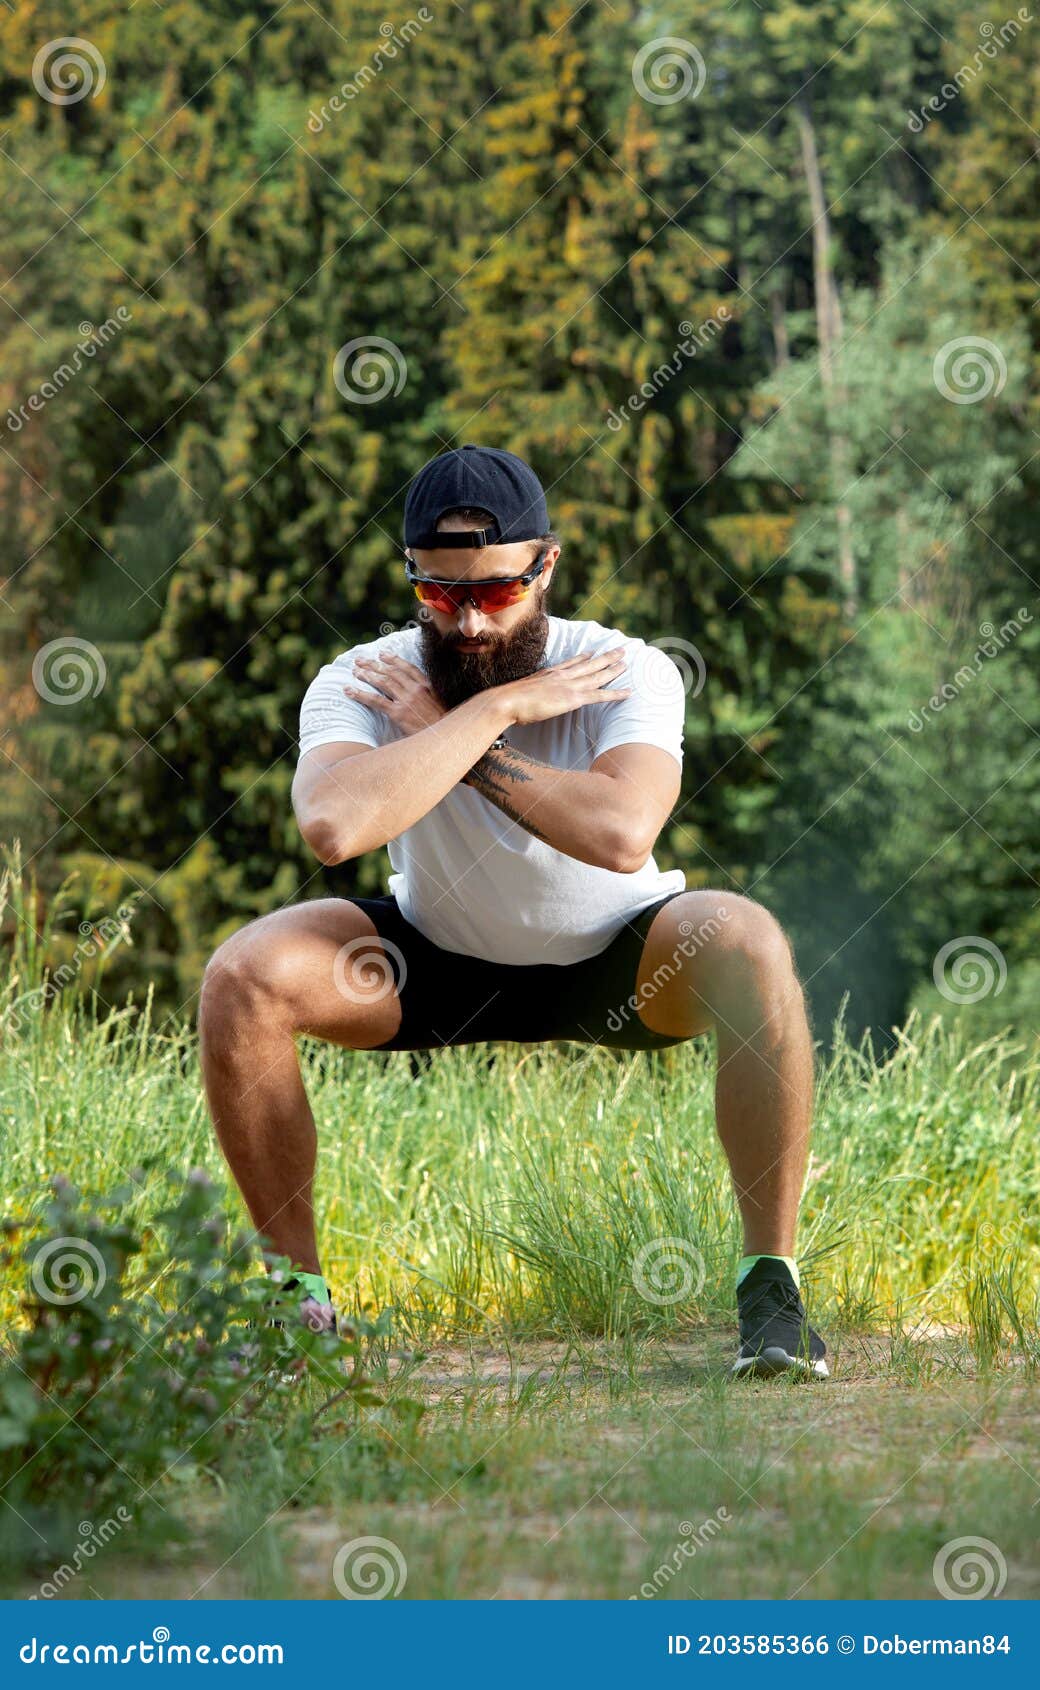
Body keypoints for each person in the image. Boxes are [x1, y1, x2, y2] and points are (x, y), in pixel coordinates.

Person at [199, 444, 828, 1379]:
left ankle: (769, 1289)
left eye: (495, 593)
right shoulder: (365, 680)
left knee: (748, 940)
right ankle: (298, 1308)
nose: (468, 623)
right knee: (241, 978)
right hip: (434, 964)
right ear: (414, 580)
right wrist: (485, 715)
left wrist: (464, 732)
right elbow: (333, 827)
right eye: (441, 595)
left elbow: (620, 832)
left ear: (547, 567)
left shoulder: (620, 667)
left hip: (623, 958)